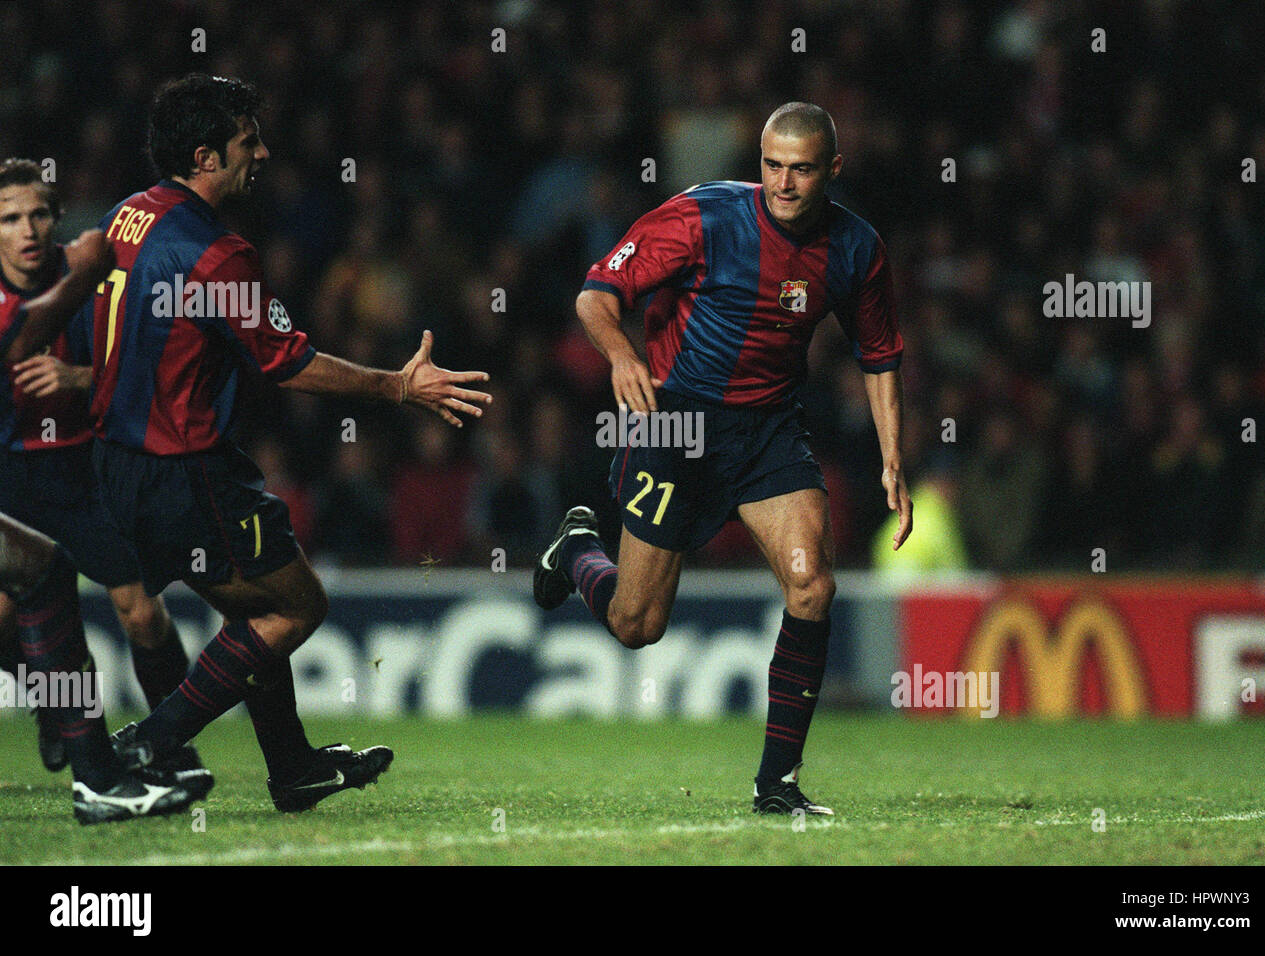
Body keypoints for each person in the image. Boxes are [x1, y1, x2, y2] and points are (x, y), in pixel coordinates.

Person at [83, 74, 490, 811]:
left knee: (255, 620)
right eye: (248, 142)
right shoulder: (217, 253)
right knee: (295, 607)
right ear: (207, 156)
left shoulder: (124, 219)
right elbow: (286, 362)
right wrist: (397, 387)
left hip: (114, 464)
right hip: (187, 470)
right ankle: (146, 746)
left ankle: (293, 769)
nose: (263, 153)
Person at [534, 102, 911, 816]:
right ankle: (579, 549)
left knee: (814, 587)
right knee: (637, 626)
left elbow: (881, 354)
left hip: (769, 429)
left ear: (832, 168)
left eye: (801, 169)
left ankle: (778, 785)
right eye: (772, 166)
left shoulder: (858, 247)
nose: (784, 184)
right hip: (678, 424)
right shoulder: (701, 217)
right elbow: (596, 295)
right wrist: (621, 356)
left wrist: (893, 458)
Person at [0, 158, 194, 774]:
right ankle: (59, 707)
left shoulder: (97, 284)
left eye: (37, 214)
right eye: (9, 218)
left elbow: (145, 371)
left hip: (86, 471)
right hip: (9, 473)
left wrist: (78, 377)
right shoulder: (77, 278)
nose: (26, 229)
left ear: (57, 220)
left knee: (143, 614)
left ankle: (170, 740)